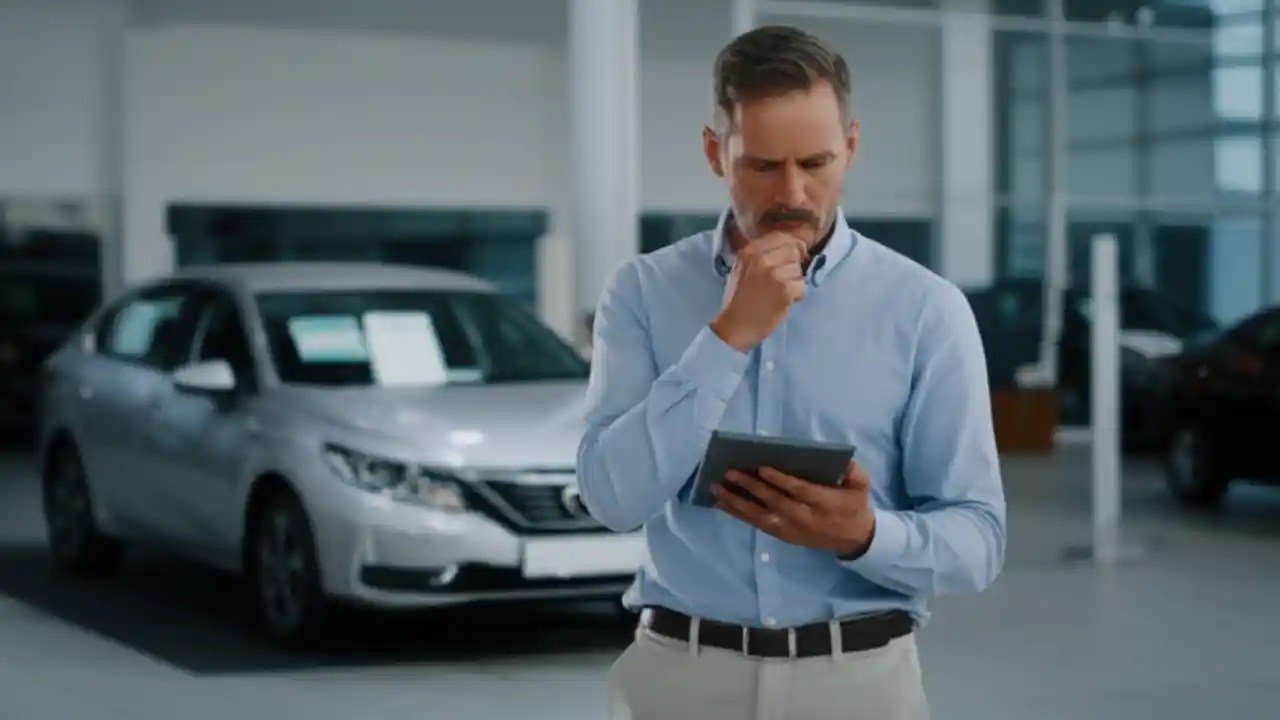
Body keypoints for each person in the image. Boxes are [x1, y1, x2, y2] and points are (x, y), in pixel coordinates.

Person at [576, 24, 1006, 720]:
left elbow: (978, 541)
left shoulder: (926, 310)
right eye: (763, 166)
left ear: (852, 148)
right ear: (716, 151)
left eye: (817, 162)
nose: (794, 193)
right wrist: (728, 336)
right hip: (678, 681)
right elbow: (611, 498)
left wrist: (865, 535)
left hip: (859, 686)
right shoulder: (642, 292)